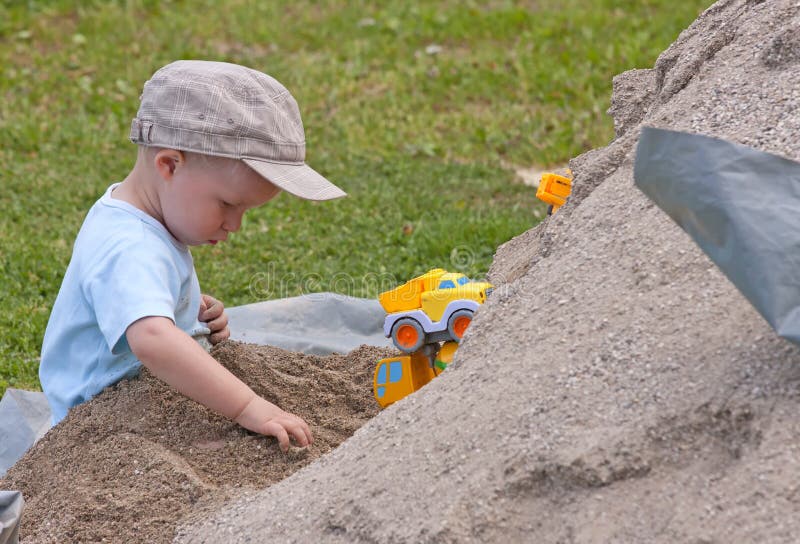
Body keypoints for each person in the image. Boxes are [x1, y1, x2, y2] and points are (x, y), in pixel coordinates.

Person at [39, 60, 346, 452]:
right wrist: (248, 405)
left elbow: (136, 301)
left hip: (143, 396)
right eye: (227, 204)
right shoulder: (128, 246)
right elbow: (151, 338)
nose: (234, 225)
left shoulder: (141, 217)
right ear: (169, 165)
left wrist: (185, 309)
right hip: (100, 428)